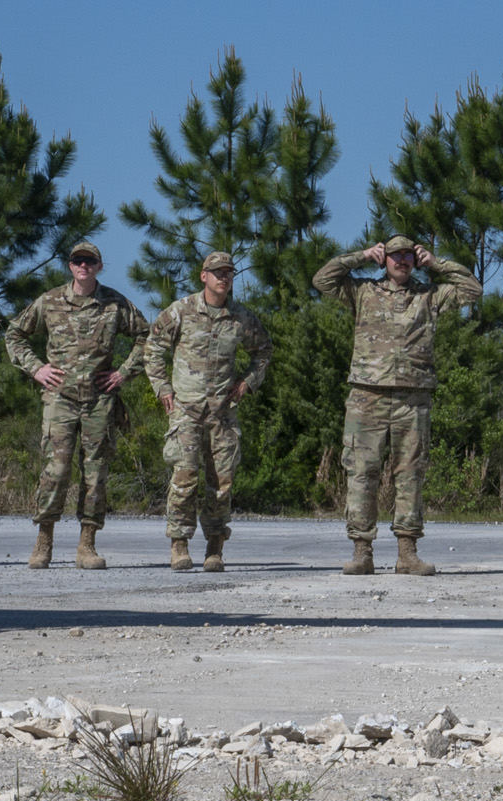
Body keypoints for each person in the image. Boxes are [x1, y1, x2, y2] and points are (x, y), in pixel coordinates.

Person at [312, 236, 482, 575]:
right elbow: (322, 279)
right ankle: (362, 552)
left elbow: (472, 289)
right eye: (394, 255)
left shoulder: (429, 296)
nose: (401, 260)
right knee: (361, 474)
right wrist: (361, 255)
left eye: (407, 255)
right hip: (366, 396)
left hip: (412, 397)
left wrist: (436, 264)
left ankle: (407, 553)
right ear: (383, 259)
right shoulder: (363, 291)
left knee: (411, 475)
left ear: (415, 260)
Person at [4, 241, 155, 570]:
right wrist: (36, 368)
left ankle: (87, 545)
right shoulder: (50, 301)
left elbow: (147, 337)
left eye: (90, 261)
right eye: (77, 260)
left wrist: (123, 373)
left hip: (99, 401)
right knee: (54, 473)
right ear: (70, 266)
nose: (83, 265)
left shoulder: (115, 304)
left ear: (100, 266)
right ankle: (44, 541)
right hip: (60, 400)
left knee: (95, 475)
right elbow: (14, 334)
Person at [145, 251, 272, 572]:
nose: (223, 277)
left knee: (222, 483)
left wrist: (247, 383)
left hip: (222, 414)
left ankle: (215, 549)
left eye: (228, 272)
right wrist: (162, 388)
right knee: (184, 478)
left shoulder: (240, 317)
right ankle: (179, 545)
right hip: (185, 411)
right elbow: (153, 348)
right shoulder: (181, 311)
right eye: (217, 272)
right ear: (204, 276)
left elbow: (263, 351)